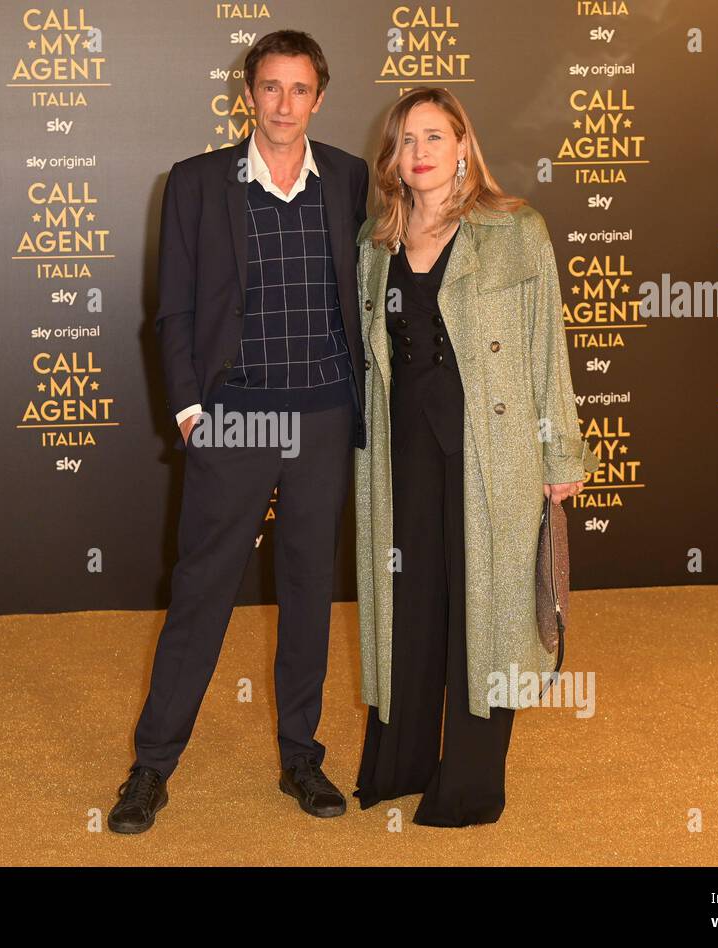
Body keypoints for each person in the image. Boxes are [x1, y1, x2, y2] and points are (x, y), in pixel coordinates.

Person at [108, 31, 371, 834]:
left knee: (305, 591)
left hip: (325, 411)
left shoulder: (352, 180)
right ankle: (152, 766)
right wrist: (191, 410)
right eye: (270, 88)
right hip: (239, 414)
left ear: (319, 97)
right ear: (248, 95)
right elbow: (174, 308)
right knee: (202, 592)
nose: (284, 104)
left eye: (299, 89)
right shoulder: (194, 183)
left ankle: (301, 757)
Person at [351, 87, 599, 827]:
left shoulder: (515, 228)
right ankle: (399, 764)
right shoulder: (376, 238)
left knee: (485, 608)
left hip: (491, 449)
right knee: (410, 601)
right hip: (401, 450)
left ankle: (469, 783)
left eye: (434, 136)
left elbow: (544, 350)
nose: (419, 152)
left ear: (464, 145)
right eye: (405, 140)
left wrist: (561, 451)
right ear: (392, 156)